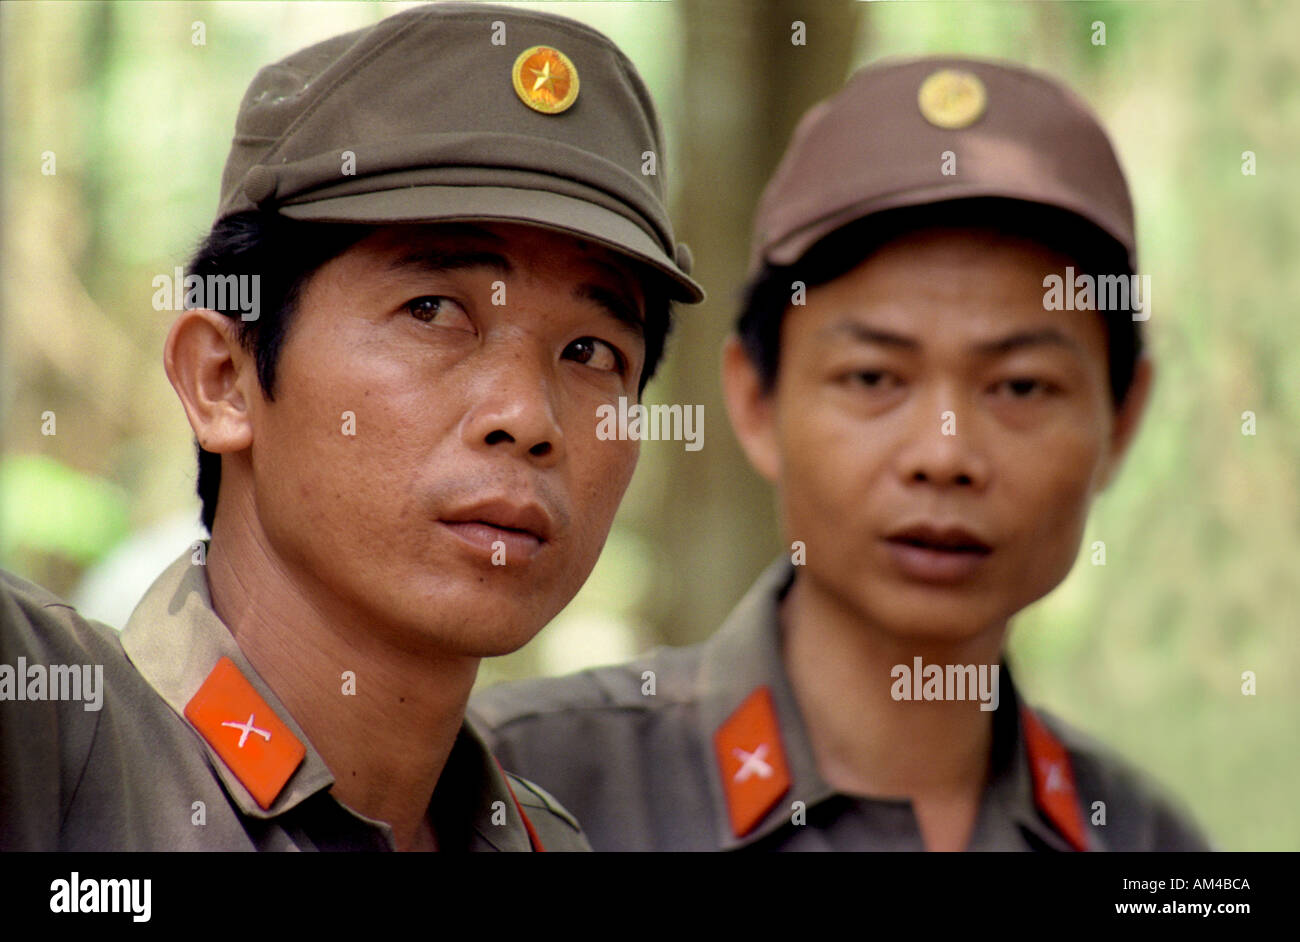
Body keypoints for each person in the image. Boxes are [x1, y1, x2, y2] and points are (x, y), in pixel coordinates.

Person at [0, 2, 702, 852]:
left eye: (591, 351)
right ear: (222, 379)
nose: (527, 417)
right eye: (434, 309)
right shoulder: (50, 740)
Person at [470, 56, 1211, 852]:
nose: (944, 455)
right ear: (755, 399)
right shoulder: (510, 789)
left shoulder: (1146, 845)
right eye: (873, 376)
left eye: (1022, 387)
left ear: (1122, 423)